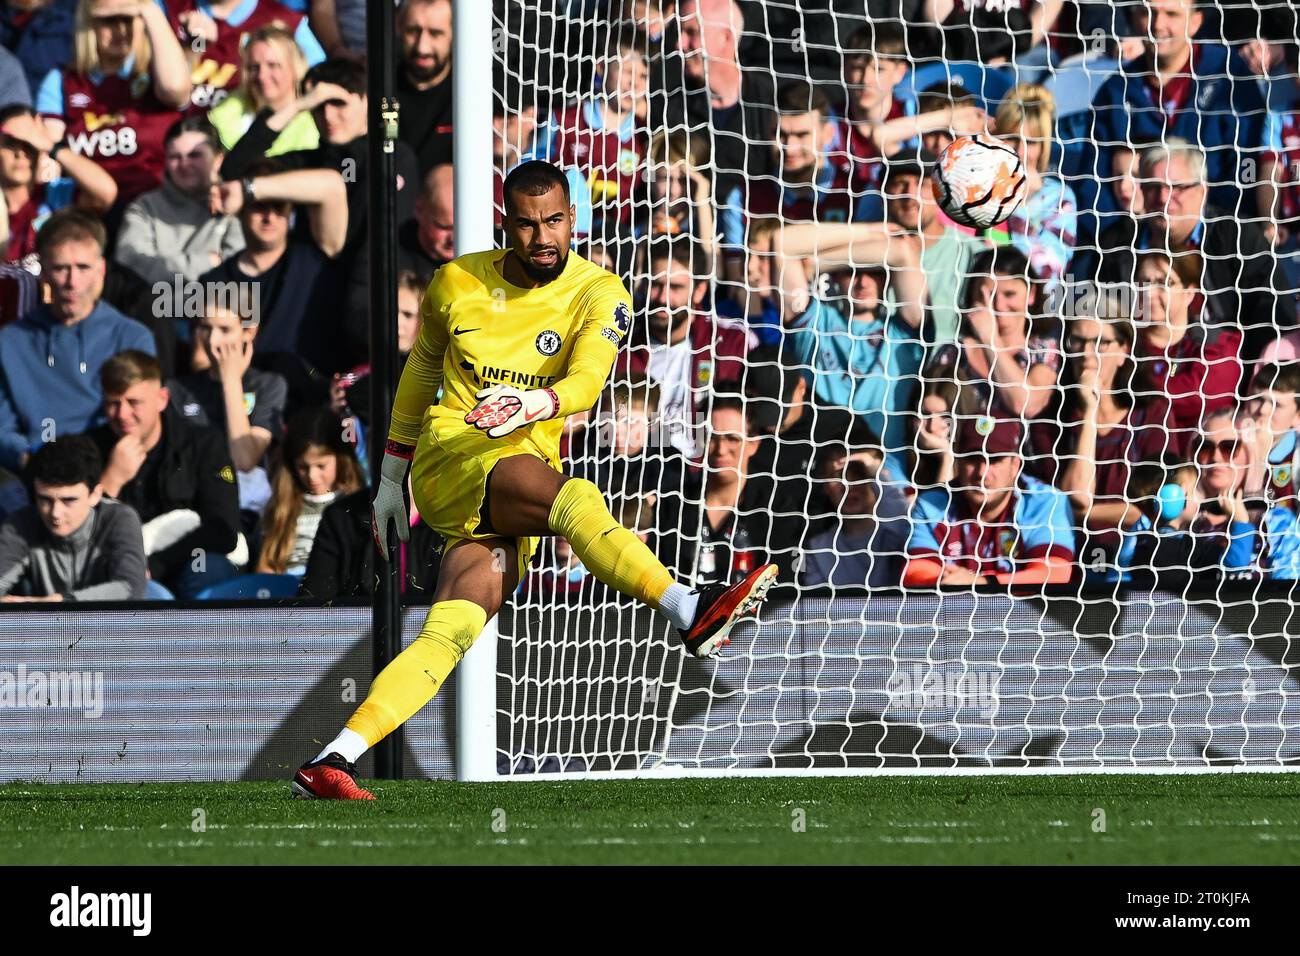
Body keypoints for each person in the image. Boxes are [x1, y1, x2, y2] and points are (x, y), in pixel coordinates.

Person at [291, 160, 778, 800]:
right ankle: (687, 608)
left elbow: (587, 382)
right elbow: (418, 377)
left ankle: (334, 757)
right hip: (454, 456)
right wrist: (389, 478)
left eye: (553, 221)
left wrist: (533, 405)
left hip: (516, 480)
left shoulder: (601, 293)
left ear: (573, 218)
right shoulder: (455, 282)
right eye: (525, 224)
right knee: (572, 497)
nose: (541, 236)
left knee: (453, 628)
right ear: (506, 224)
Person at [219, 56, 420, 358]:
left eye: (338, 103)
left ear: (365, 101)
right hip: (308, 298)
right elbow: (234, 170)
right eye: (318, 106)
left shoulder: (392, 156)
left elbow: (381, 241)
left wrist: (359, 310)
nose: (327, 115)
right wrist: (297, 105)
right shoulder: (308, 160)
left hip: (369, 301)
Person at [1093, 139, 1291, 363]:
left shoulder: (1238, 237)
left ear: (1202, 191)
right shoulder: (1114, 245)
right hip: (1141, 377)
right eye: (1153, 187)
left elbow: (1270, 317)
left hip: (1227, 378)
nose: (1163, 198)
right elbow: (1104, 323)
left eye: (1177, 187)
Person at [1085, 0, 1267, 235]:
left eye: (1171, 14)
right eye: (1147, 13)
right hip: (1133, 248)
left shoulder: (1231, 78)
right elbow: (1091, 186)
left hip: (1219, 242)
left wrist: (1214, 237)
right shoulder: (1114, 93)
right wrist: (1125, 244)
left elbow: (1247, 173)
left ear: (1195, 21)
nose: (1158, 25)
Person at [0, 208, 155, 472]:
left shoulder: (131, 337)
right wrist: (32, 461)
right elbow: (2, 428)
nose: (72, 281)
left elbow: (142, 422)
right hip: (35, 471)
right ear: (43, 272)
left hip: (109, 469)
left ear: (101, 270)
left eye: (83, 267)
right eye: (60, 268)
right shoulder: (11, 341)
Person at [85, 349, 240, 597]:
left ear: (162, 399)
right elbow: (73, 534)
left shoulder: (204, 444)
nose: (122, 414)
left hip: (182, 560)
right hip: (111, 564)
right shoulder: (90, 448)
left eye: (133, 402)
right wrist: (111, 480)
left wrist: (156, 565)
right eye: (113, 403)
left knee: (210, 569)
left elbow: (223, 529)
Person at [772, 220, 928, 463]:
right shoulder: (815, 322)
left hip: (885, 475)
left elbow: (903, 251)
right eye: (851, 271)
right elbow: (782, 242)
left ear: (887, 278)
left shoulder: (903, 332)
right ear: (836, 278)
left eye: (874, 271)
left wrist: (816, 262)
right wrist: (866, 230)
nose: (862, 282)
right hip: (819, 471)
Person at [200, 157, 347, 403]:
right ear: (240, 210)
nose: (269, 216)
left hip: (315, 403)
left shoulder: (313, 257)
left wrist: (248, 189)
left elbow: (333, 186)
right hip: (249, 403)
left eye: (279, 206)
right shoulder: (214, 281)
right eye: (259, 205)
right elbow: (200, 360)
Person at [35, 0, 192, 213]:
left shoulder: (158, 73)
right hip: (90, 212)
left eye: (128, 19)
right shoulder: (61, 82)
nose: (120, 30)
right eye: (109, 21)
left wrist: (149, 10)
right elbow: (49, 160)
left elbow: (176, 90)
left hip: (156, 211)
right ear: (88, 24)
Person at [1055, 304, 1171, 576]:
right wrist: (1089, 413)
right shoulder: (1053, 418)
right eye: (1078, 341)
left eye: (1100, 343)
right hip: (1071, 559)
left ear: (1123, 350)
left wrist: (1081, 514)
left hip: (1138, 562)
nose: (1086, 353)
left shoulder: (1152, 412)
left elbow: (1153, 509)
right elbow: (1075, 499)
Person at [614, 237, 749, 461]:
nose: (663, 298)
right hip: (638, 473)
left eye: (675, 287)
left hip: (707, 473)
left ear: (699, 291)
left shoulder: (732, 342)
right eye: (656, 285)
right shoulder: (621, 346)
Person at [904, 415, 1075, 587]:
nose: (982, 473)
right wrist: (950, 581)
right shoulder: (931, 504)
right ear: (958, 462)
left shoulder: (1044, 502)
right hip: (954, 611)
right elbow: (915, 572)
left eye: (994, 460)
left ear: (1015, 465)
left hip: (1030, 613)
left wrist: (984, 583)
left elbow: (1055, 574)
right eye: (973, 459)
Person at [169, 299, 286, 529]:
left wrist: (231, 380)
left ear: (249, 331)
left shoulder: (268, 385)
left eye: (224, 329)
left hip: (249, 514)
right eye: (205, 328)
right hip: (193, 510)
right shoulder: (177, 389)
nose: (212, 341)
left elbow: (244, 459)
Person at [654, 396, 794, 584]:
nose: (720, 449)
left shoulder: (776, 509)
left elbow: (783, 588)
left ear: (753, 444)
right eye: (712, 437)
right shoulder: (672, 505)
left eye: (732, 439)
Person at [526, 25, 648, 236]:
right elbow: (529, 170)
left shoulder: (643, 136)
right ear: (602, 68)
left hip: (615, 251)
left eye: (643, 76)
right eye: (628, 72)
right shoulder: (565, 120)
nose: (634, 84)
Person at [0, 433, 146, 601]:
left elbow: (131, 588)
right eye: (45, 499)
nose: (55, 513)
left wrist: (61, 602)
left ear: (95, 495)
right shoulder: (20, 524)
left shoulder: (120, 519)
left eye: (68, 500)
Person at [1131, 250, 1241, 460]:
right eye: (1144, 282)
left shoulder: (1218, 345)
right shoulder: (1122, 343)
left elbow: (1201, 397)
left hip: (1202, 466)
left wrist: (1138, 388)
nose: (1151, 292)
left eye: (1165, 283)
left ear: (1189, 293)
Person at [113, 115, 244, 287]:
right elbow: (130, 264)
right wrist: (209, 262)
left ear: (218, 159)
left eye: (195, 155)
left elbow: (242, 269)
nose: (184, 164)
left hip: (222, 307)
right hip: (157, 309)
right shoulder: (144, 207)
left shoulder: (235, 203)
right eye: (175, 157)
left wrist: (165, 266)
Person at [882, 151, 987, 346]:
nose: (910, 194)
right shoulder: (865, 255)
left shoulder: (973, 253)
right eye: (899, 184)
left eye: (922, 184)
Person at [0, 104, 117, 267]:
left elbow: (106, 193)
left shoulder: (56, 193)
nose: (20, 153)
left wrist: (52, 147)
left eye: (29, 144)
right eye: (11, 143)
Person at [990, 84, 1077, 299]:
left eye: (1031, 142)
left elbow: (1048, 275)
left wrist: (1017, 203)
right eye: (1012, 138)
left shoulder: (1059, 198)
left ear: (1043, 147)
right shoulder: (976, 187)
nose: (1020, 151)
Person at [255, 405, 362, 575]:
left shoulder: (355, 505)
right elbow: (266, 564)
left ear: (341, 459)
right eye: (303, 467)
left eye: (321, 466)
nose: (312, 476)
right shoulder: (283, 504)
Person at [163, 0, 324, 113]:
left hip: (252, 142)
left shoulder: (286, 22)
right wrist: (191, 50)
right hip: (163, 149)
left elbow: (321, 87)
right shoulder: (167, 9)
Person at [206, 24, 319, 157]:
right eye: (254, 67)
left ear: (296, 68)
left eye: (273, 65)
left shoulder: (317, 124)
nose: (262, 75)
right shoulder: (221, 117)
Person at [801, 455, 906, 589]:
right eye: (838, 477)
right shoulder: (818, 550)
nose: (848, 486)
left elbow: (903, 515)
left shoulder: (896, 534)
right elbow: (818, 606)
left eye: (858, 475)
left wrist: (876, 472)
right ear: (826, 487)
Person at [395, 0, 453, 176]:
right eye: (413, 31)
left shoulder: (474, 92)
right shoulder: (376, 85)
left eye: (435, 33)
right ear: (398, 27)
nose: (422, 47)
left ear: (454, 33)